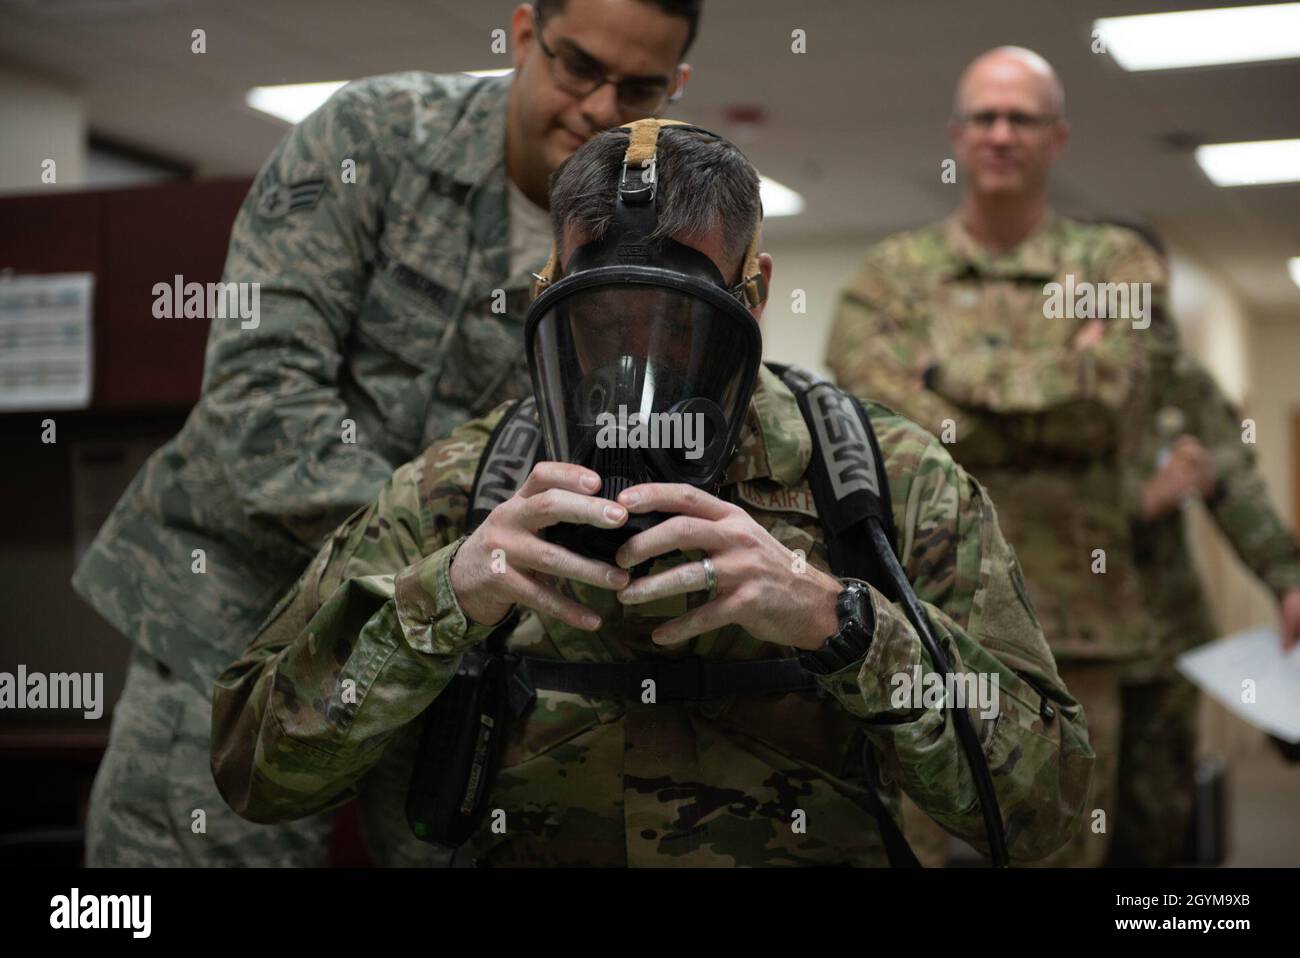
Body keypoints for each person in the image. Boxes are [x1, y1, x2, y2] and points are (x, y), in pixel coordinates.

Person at [210, 120, 1093, 867]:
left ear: (755, 293)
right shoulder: (464, 487)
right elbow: (255, 767)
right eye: (604, 319)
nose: (640, 360)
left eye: (678, 321)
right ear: (550, 292)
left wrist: (841, 623)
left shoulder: (884, 484)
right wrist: (444, 599)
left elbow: (1051, 807)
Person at [71, 0, 701, 867]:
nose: (598, 107)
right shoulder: (371, 138)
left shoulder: (654, 239)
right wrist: (453, 556)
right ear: (523, 35)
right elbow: (260, 404)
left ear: (678, 86)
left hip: (462, 660)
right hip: (243, 618)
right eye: (577, 68)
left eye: (637, 86)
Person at [825, 46, 1166, 867]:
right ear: (957, 135)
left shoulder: (1113, 264)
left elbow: (1105, 397)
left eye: (1023, 118)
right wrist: (1051, 380)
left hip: (1076, 616)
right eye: (986, 116)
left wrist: (941, 375)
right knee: (905, 836)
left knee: (1065, 840)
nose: (1002, 133)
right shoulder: (891, 272)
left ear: (1059, 136)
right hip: (922, 603)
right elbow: (876, 412)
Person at [1115, 342, 1300, 866]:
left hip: (1163, 635)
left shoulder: (1174, 377)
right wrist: (1140, 500)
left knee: (1158, 823)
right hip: (1052, 642)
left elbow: (1231, 477)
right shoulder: (1027, 374)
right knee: (1054, 827)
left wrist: (1287, 579)